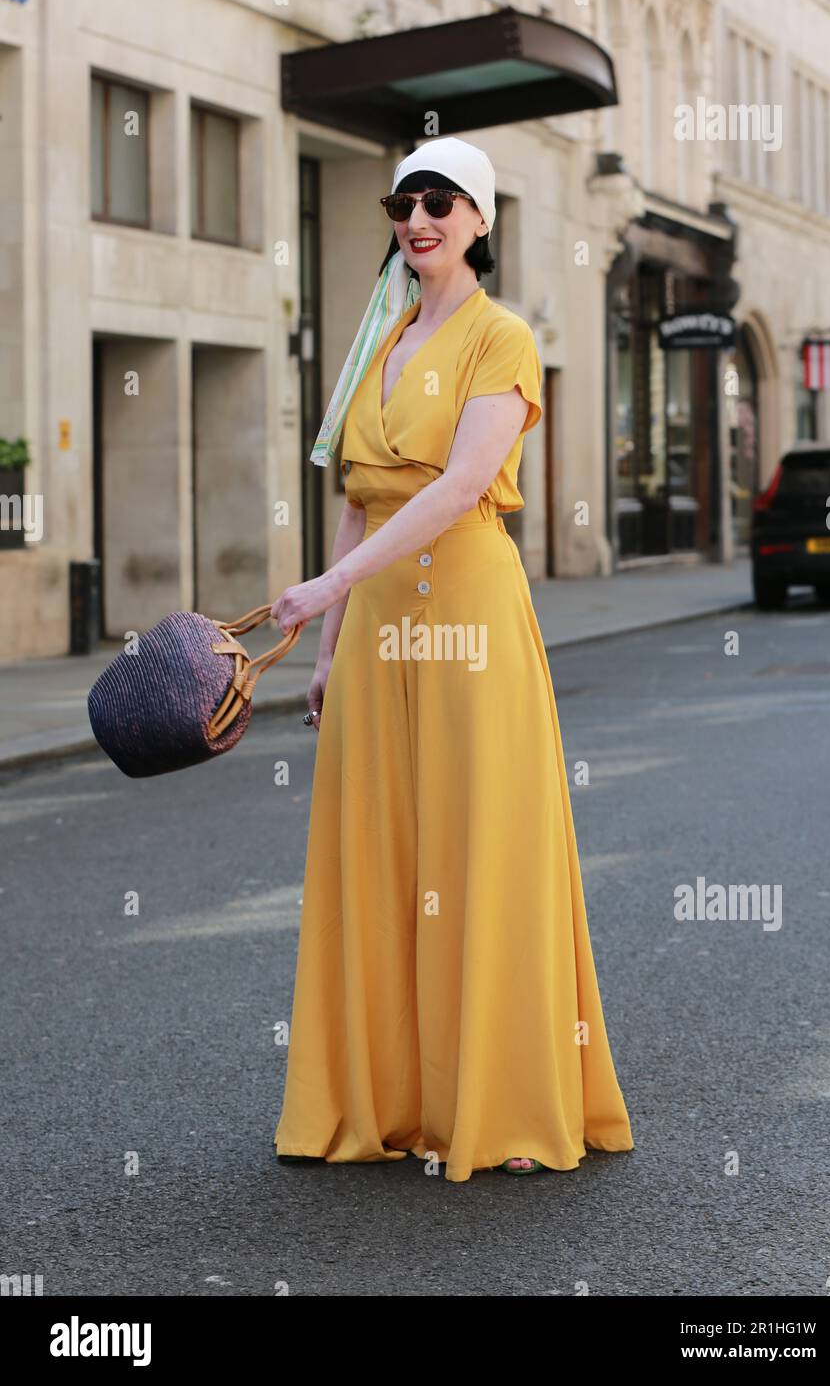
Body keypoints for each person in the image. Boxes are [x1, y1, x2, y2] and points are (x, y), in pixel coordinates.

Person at [270, 136, 634, 1182]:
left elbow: (451, 487)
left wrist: (329, 588)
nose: (418, 217)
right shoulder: (375, 346)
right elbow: (358, 501)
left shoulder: (502, 338)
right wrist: (326, 647)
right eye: (403, 201)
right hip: (377, 625)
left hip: (468, 609)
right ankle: (378, 1106)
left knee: (484, 846)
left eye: (440, 200)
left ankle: (506, 1104)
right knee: (380, 852)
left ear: (478, 220)